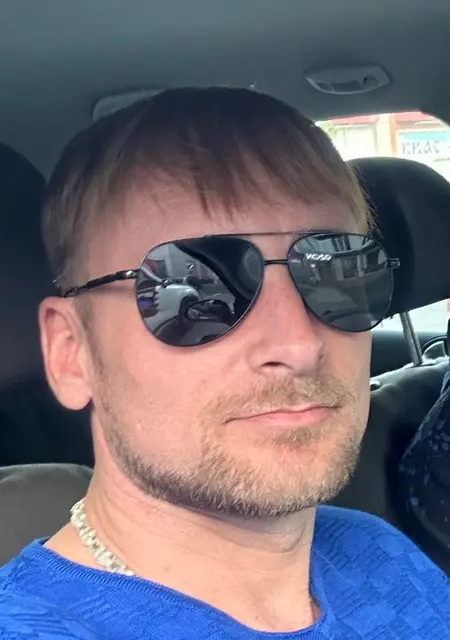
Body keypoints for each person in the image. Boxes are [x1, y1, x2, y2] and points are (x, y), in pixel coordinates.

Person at [0, 87, 448, 638]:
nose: (299, 343)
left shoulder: (380, 551)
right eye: (197, 288)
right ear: (72, 353)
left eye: (337, 273)